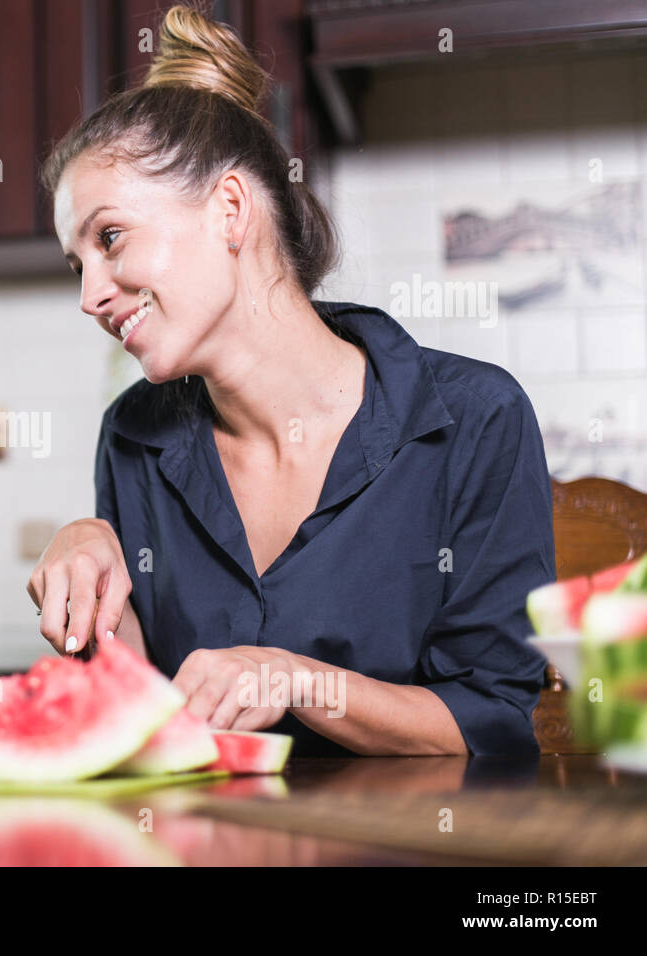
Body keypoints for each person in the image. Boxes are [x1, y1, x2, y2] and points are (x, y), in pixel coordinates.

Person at [27, 6, 555, 756]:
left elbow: (495, 723)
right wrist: (92, 570)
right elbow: (143, 718)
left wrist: (299, 680)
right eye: (77, 266)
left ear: (231, 209)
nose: (90, 295)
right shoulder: (132, 437)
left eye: (110, 238)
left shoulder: (476, 420)